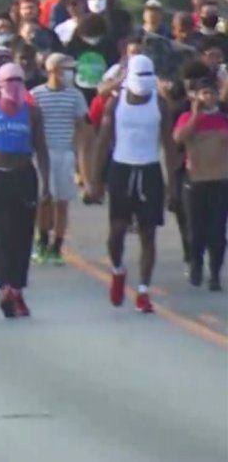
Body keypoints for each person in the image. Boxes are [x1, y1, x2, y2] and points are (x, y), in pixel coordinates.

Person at [88, 55, 177, 314]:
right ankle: (118, 270)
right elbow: (102, 143)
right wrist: (94, 181)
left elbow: (169, 146)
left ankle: (143, 291)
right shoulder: (116, 104)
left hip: (149, 170)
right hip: (121, 169)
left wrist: (172, 184)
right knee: (116, 231)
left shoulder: (160, 104)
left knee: (148, 234)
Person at [0, 63, 51, 319]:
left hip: (24, 177)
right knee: (3, 235)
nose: (13, 86)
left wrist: (47, 185)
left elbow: (41, 149)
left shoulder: (32, 113)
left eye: (18, 80)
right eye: (8, 81)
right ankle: (5, 286)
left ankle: (17, 288)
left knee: (23, 236)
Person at [29, 54, 90, 265]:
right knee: (44, 200)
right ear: (52, 69)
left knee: (62, 203)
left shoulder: (76, 96)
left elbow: (83, 128)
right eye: (65, 68)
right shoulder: (35, 95)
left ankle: (57, 246)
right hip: (43, 155)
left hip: (65, 154)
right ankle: (42, 241)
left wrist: (81, 163)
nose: (69, 73)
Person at [173, 66, 228, 291]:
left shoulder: (224, 119)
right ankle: (195, 262)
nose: (208, 97)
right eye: (204, 93)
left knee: (217, 231)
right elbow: (178, 139)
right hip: (194, 180)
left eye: (212, 92)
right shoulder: (186, 117)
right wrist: (195, 116)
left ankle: (215, 272)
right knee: (195, 229)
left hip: (220, 180)